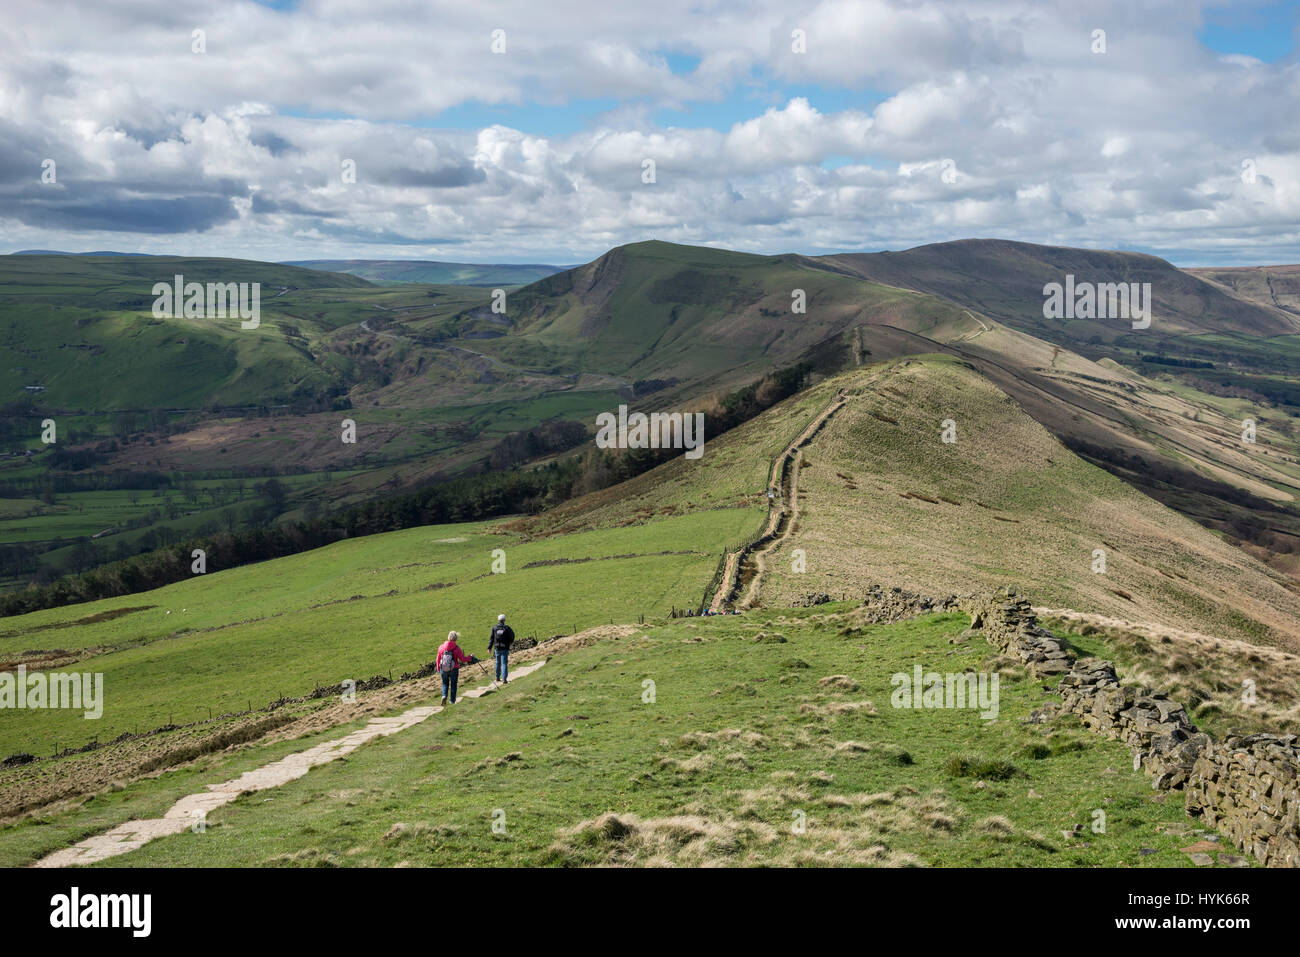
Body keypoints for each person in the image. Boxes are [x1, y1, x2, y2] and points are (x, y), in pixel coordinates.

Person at [436, 631, 476, 705]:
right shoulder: (457, 648)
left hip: (443, 668)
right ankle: (452, 701)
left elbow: (438, 658)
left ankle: (444, 695)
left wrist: (438, 668)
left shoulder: (441, 647)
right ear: (456, 639)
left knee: (445, 683)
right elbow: (463, 659)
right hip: (454, 669)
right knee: (453, 684)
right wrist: (470, 657)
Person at [488, 613, 515, 683]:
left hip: (497, 648)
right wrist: (509, 643)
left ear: (498, 620)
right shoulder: (507, 628)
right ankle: (504, 679)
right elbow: (512, 636)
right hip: (504, 648)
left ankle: (497, 678)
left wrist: (489, 648)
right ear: (504, 620)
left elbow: (491, 638)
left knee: (497, 663)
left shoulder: (494, 628)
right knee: (504, 663)